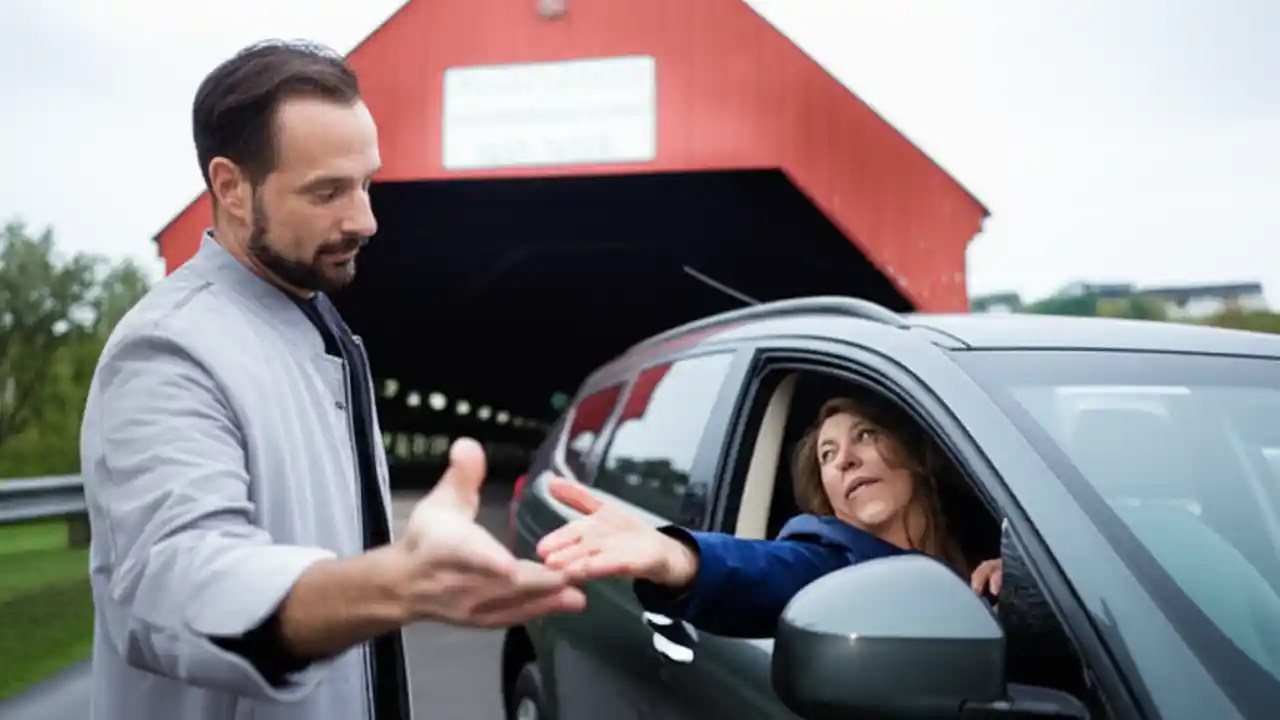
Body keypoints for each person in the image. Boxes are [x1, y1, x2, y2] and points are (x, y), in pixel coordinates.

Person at [79, 40, 583, 720]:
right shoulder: (169, 350)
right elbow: (175, 575)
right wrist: (394, 586)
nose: (365, 220)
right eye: (326, 192)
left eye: (365, 183)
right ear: (230, 188)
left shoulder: (317, 323)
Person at [537, 394, 1003, 638]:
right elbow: (766, 571)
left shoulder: (995, 538)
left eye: (865, 435)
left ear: (915, 451)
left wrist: (1017, 581)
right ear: (831, 497)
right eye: (827, 454)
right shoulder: (834, 563)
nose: (844, 460)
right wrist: (679, 557)